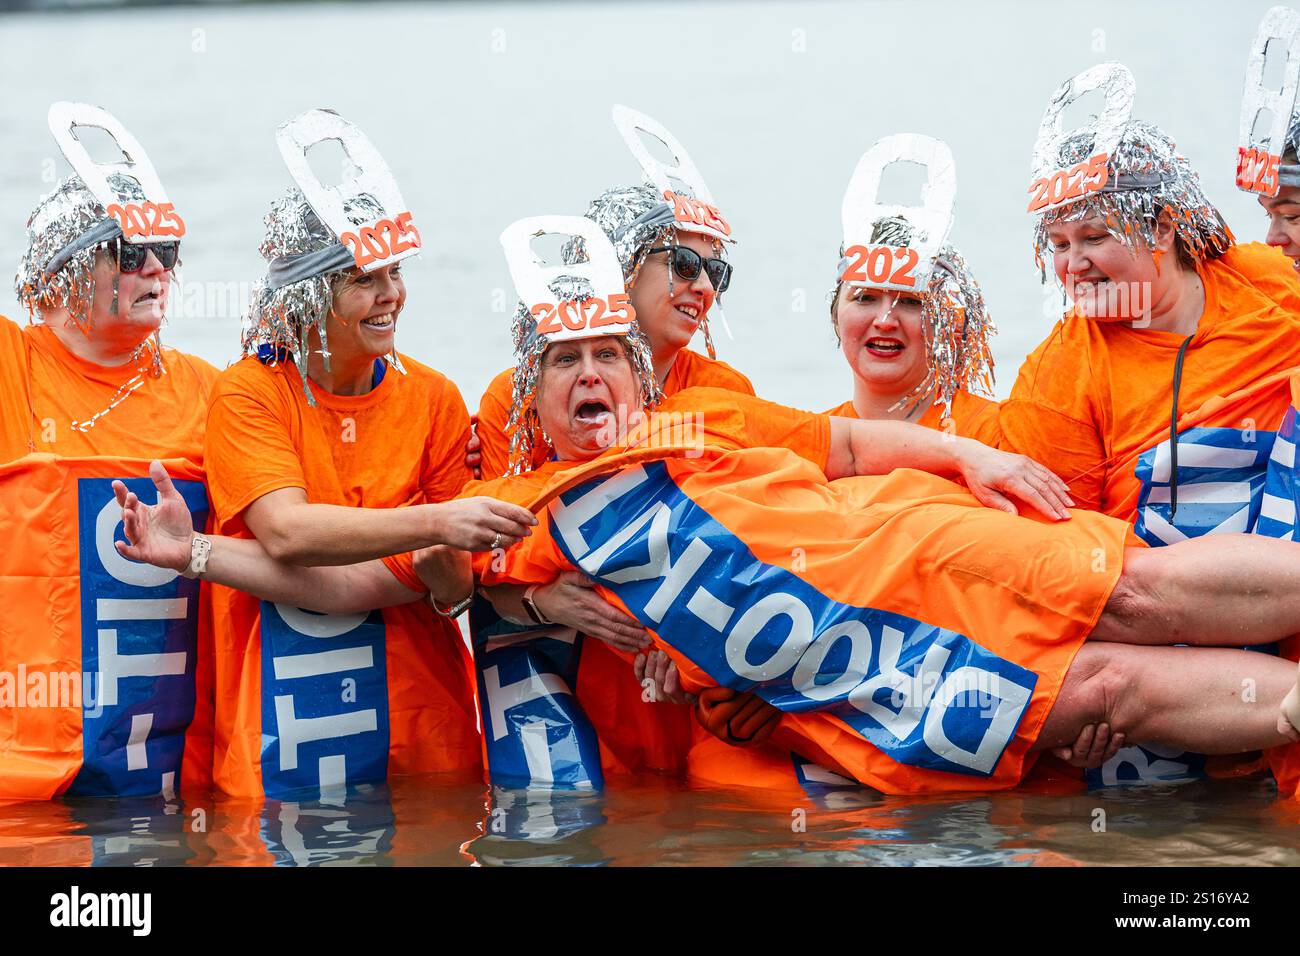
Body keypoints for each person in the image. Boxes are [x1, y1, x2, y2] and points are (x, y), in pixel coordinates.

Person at [424, 215, 1300, 796]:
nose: (591, 377)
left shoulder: (700, 416)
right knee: (1116, 688)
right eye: (565, 362)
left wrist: (971, 456)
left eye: (609, 356)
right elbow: (424, 572)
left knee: (1136, 593)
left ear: (638, 372)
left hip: (921, 549)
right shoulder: (511, 507)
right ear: (524, 394)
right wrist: (528, 597)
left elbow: (844, 445)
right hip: (871, 682)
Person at [200, 108, 534, 798]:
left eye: (395, 272)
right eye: (364, 280)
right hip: (280, 743)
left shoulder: (434, 397)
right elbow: (287, 533)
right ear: (309, 294)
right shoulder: (249, 394)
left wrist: (442, 568)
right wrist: (435, 525)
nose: (392, 296)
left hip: (426, 743)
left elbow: (456, 590)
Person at [0, 102, 219, 801]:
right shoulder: (12, 363)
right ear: (66, 270)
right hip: (24, 766)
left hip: (164, 766)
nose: (156, 267)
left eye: (168, 251)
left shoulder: (206, 389)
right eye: (129, 252)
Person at [473, 106, 754, 481]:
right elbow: (502, 525)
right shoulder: (517, 398)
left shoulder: (724, 390)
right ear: (621, 266)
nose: (704, 286)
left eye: (716, 271)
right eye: (684, 264)